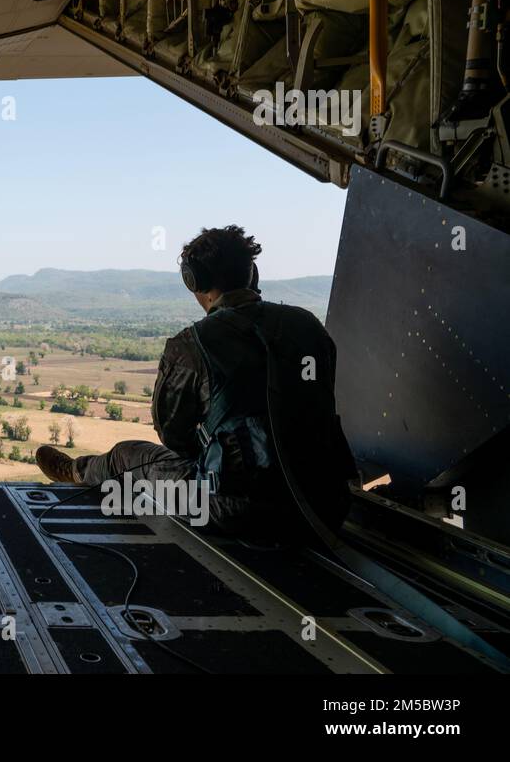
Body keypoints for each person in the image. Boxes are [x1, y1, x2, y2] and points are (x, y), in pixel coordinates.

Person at [35, 225, 358, 537]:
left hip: (235, 510)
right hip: (326, 506)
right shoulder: (307, 324)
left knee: (127, 454)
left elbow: (174, 437)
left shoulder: (191, 344)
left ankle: (77, 472)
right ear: (252, 274)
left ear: (194, 280)